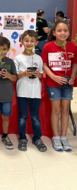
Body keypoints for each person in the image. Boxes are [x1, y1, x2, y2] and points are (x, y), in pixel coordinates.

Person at [42, 21, 77, 152]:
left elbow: (74, 64)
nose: (63, 33)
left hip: (68, 84)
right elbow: (44, 65)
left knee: (65, 109)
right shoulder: (48, 47)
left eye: (65, 30)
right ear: (54, 32)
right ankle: (56, 137)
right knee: (56, 110)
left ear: (69, 32)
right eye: (60, 31)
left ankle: (64, 136)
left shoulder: (73, 47)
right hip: (53, 84)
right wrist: (54, 77)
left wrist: (72, 77)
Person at [15, 30, 47, 152]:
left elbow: (42, 74)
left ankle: (37, 138)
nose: (29, 43)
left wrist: (38, 74)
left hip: (35, 92)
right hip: (22, 91)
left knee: (35, 117)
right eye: (26, 40)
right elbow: (15, 76)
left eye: (32, 41)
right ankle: (23, 138)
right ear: (22, 41)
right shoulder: (18, 58)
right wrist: (23, 73)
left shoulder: (38, 58)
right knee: (22, 116)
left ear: (36, 42)